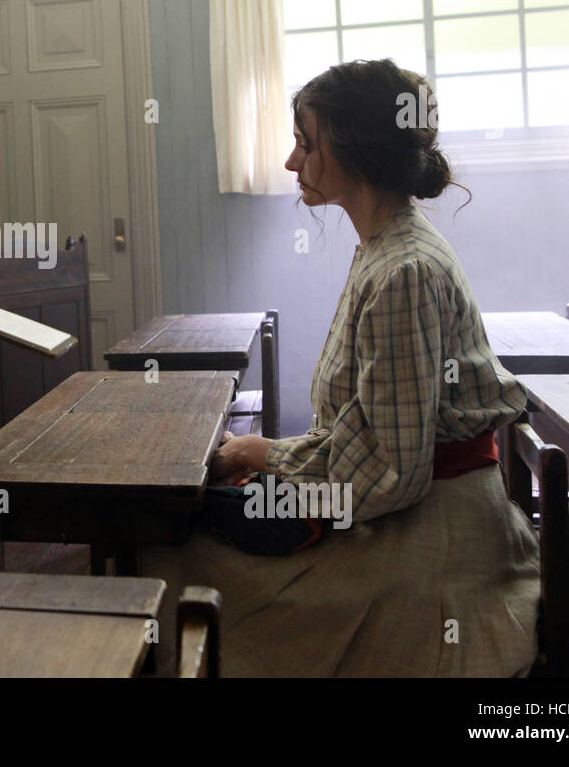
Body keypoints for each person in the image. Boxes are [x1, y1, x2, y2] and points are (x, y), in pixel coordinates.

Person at [143, 59, 540, 677]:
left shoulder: (404, 271)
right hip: (408, 510)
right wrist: (268, 460)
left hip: (431, 541)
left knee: (168, 561)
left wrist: (263, 455)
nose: (290, 161)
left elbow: (389, 475)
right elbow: (369, 438)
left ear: (355, 150)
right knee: (189, 533)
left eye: (305, 144)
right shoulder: (384, 248)